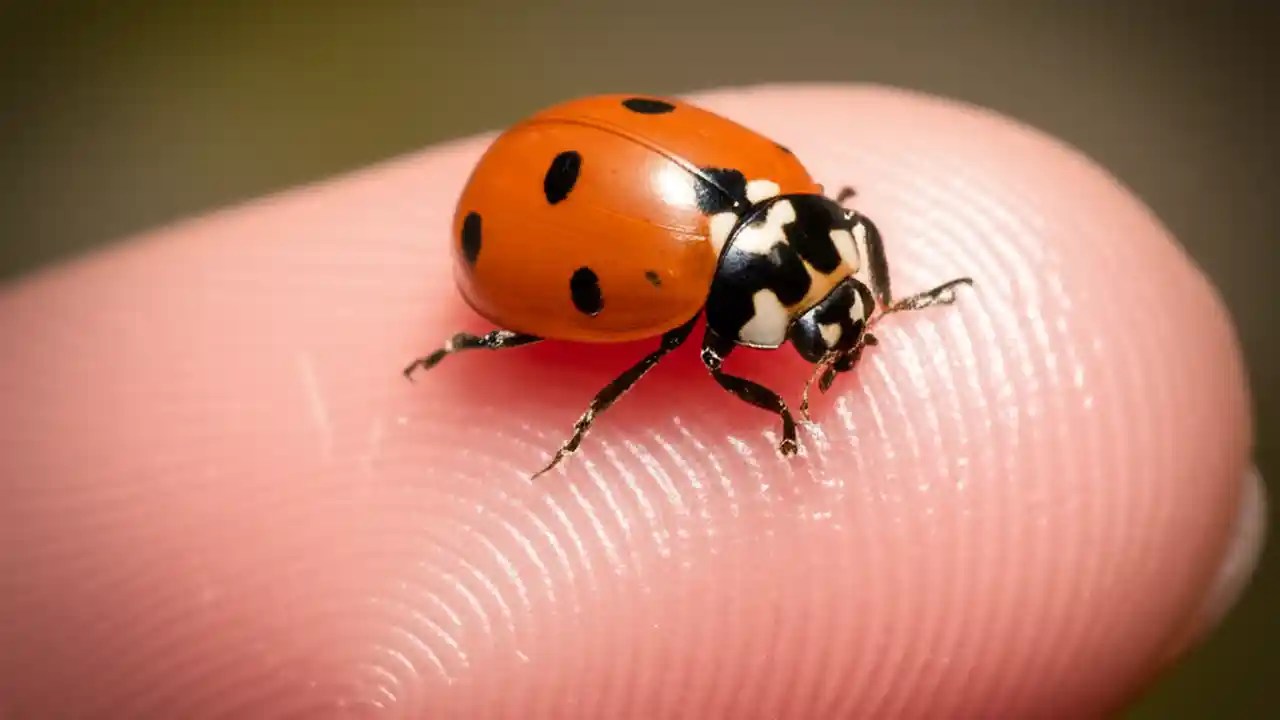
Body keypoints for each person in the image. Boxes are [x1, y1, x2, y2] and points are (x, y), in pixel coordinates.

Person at [0, 85, 1262, 718]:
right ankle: (495, 362)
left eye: (833, 311)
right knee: (673, 364)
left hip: (654, 193)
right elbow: (704, 353)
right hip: (555, 230)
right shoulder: (698, 298)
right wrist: (767, 407)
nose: (829, 336)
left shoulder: (784, 199)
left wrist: (842, 309)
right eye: (826, 319)